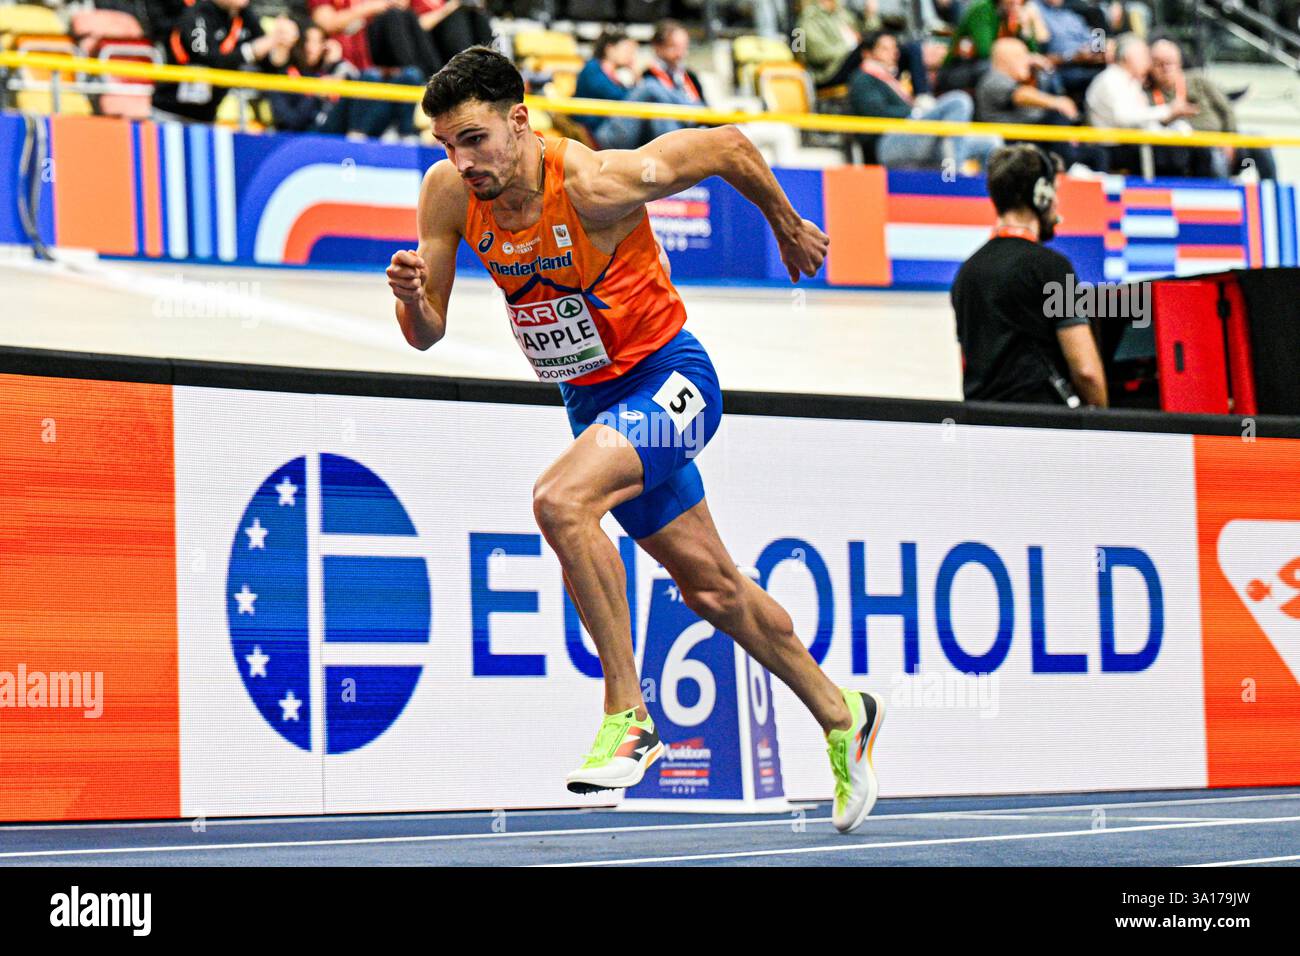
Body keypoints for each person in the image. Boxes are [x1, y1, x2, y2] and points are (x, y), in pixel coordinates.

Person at [386, 46, 887, 833]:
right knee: (712, 587)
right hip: (594, 406)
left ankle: (630, 713)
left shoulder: (594, 183)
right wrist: (414, 300)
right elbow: (427, 334)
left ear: (520, 121)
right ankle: (843, 711)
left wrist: (788, 228)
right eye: (447, 143)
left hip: (671, 385)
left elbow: (728, 145)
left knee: (560, 501)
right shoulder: (449, 194)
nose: (462, 160)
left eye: (476, 139)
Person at [951, 144, 1109, 406]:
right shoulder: (1053, 268)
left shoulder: (966, 274)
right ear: (1042, 195)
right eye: (1055, 192)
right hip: (1041, 431)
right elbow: (1087, 372)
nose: (1058, 203)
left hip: (982, 431)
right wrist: (1105, 428)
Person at [851, 31, 999, 170]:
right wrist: (915, 111)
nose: (893, 53)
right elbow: (877, 112)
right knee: (959, 102)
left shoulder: (889, 79)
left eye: (894, 48)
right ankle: (953, 175)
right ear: (867, 53)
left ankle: (981, 194)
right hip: (887, 143)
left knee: (991, 141)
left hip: (910, 135)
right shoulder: (864, 78)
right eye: (885, 49)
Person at [1148, 38, 1276, 180]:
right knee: (1213, 156)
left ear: (1179, 63)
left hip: (1225, 139)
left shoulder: (1198, 80)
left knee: (1258, 141)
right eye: (1159, 64)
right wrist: (1171, 113)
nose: (1165, 68)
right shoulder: (1149, 93)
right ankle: (1223, 197)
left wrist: (1229, 138)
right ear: (1150, 67)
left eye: (1169, 63)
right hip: (1194, 149)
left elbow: (1226, 109)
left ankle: (1272, 191)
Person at [152, 0, 298, 123]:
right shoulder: (198, 14)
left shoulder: (245, 16)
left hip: (207, 117)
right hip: (168, 114)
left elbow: (269, 67)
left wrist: (281, 45)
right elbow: (209, 60)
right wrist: (254, 49)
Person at [1085, 34, 1210, 176]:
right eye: (1144, 56)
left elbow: (1144, 124)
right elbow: (1124, 118)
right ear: (1128, 57)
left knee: (1196, 149)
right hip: (1112, 148)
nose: (1148, 61)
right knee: (1173, 155)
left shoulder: (1132, 83)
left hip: (1133, 144)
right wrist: (1168, 110)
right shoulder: (1111, 79)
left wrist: (1174, 132)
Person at [976, 37, 1106, 170]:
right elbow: (1020, 95)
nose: (1029, 60)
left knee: (1098, 154)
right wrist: (1057, 102)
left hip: (1034, 139)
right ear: (1006, 59)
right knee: (1054, 118)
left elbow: (1046, 87)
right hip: (1011, 143)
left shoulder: (1025, 79)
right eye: (1022, 56)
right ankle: (1071, 166)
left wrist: (1044, 67)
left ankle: (1080, 170)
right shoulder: (993, 79)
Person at [308, 0, 442, 78]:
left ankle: (434, 77)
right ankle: (416, 78)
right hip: (349, 54)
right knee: (393, 16)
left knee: (405, 16)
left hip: (381, 48)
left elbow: (401, 5)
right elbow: (327, 23)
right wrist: (372, 6)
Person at [939, 0, 1049, 93]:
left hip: (992, 64)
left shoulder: (1016, 13)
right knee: (991, 68)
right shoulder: (982, 9)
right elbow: (986, 51)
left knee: (1039, 71)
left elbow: (1032, 51)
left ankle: (1031, 113)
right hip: (959, 69)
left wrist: (1025, 29)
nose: (1016, 2)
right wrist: (1025, 59)